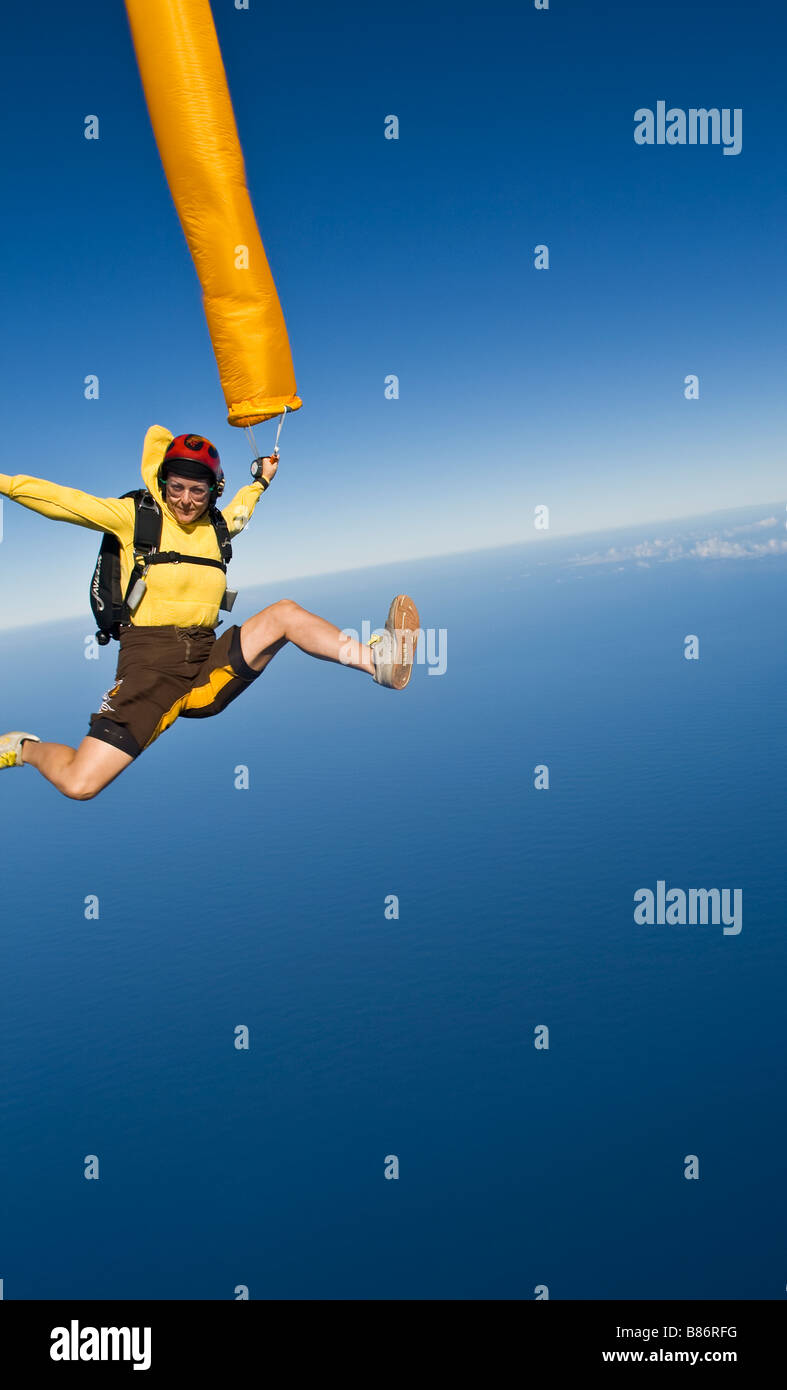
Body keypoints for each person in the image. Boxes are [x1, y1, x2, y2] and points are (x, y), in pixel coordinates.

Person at [0, 425, 419, 799]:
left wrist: (261, 481)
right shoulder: (134, 517)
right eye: (176, 487)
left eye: (197, 491)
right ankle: (22, 748)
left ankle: (378, 662)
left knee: (285, 614)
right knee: (79, 784)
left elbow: (241, 509)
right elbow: (60, 500)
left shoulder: (217, 527)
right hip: (150, 671)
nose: (185, 500)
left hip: (207, 664)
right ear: (162, 482)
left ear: (213, 491)